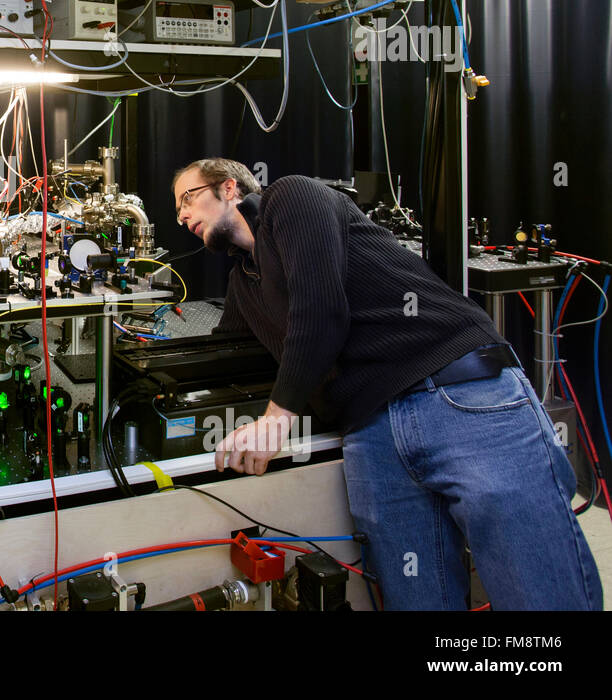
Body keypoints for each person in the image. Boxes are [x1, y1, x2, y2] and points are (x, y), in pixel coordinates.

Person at [172, 157, 602, 610]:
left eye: (187, 198)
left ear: (229, 188)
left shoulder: (292, 197)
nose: (181, 215)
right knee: (415, 596)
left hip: (457, 393)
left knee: (538, 588)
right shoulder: (246, 281)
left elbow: (321, 313)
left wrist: (277, 419)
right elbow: (223, 357)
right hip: (371, 434)